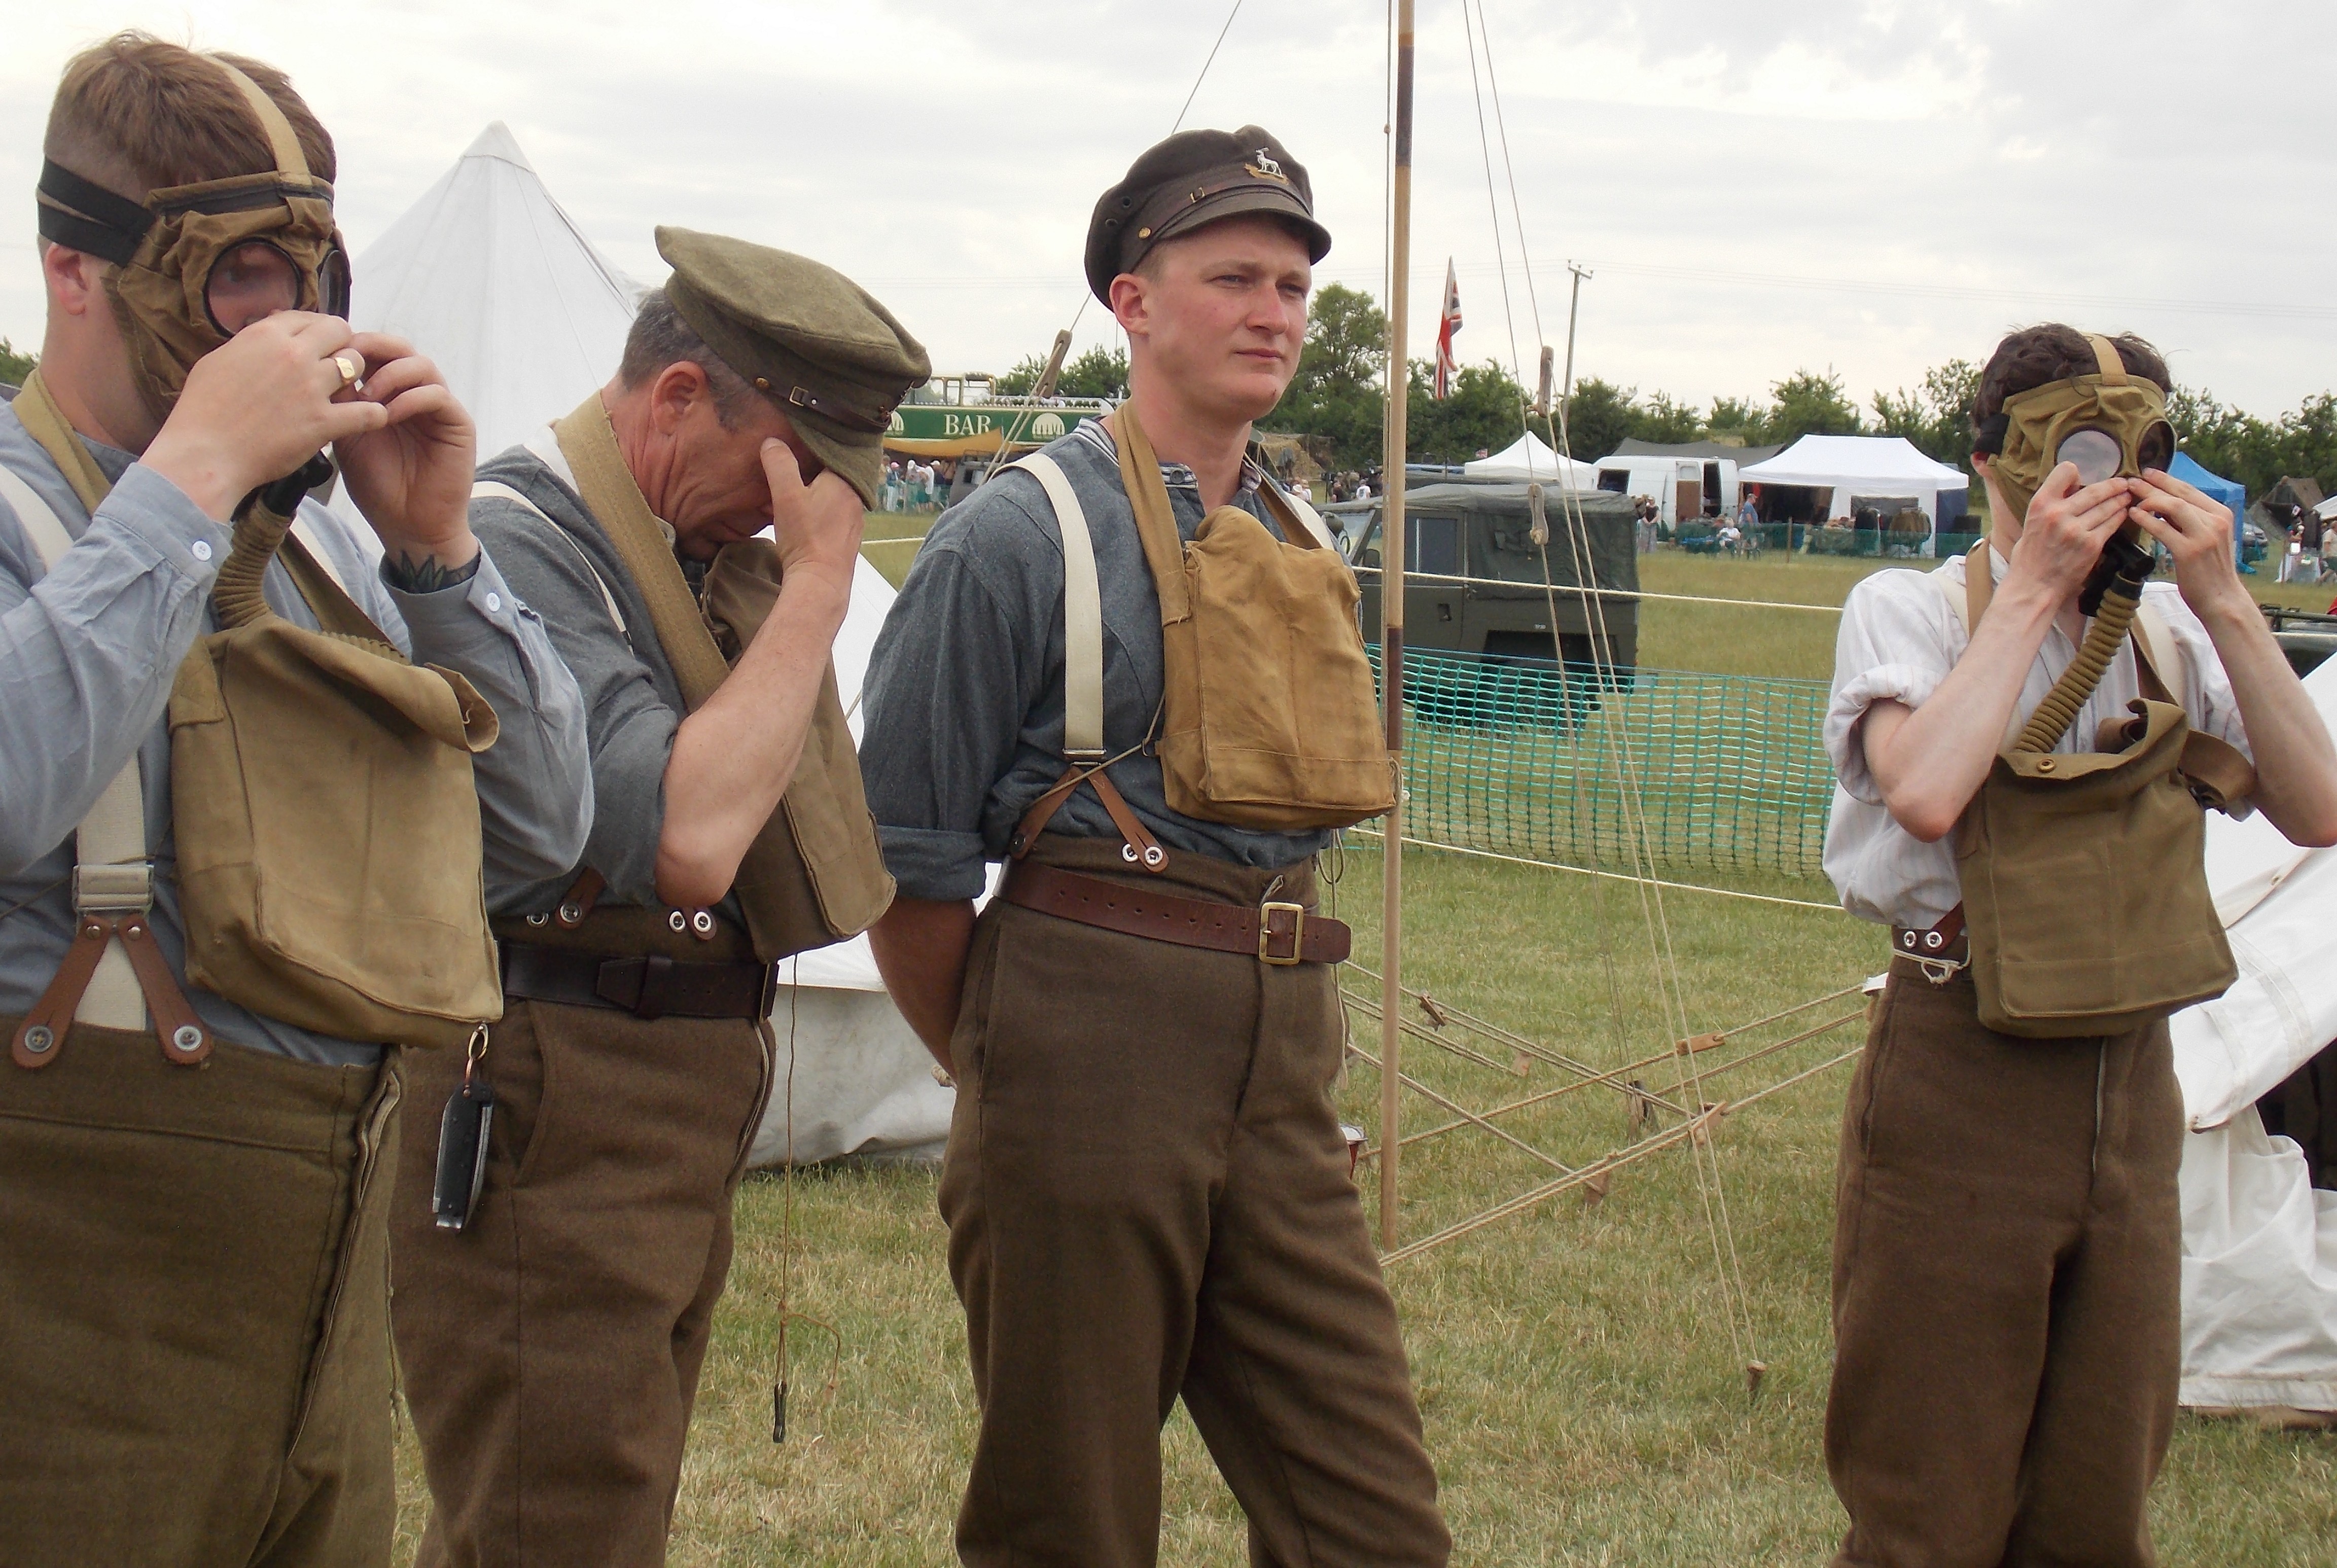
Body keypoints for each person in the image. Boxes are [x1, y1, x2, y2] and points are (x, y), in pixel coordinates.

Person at [0, 35, 591, 1564]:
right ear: (72, 265)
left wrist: (439, 555)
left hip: (318, 1312)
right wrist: (189, 481)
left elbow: (538, 841)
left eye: (310, 273)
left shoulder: (322, 547)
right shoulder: (30, 510)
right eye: (237, 275)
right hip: (60, 1323)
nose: (283, 321)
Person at [860, 126, 1451, 1567]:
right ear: (1132, 302)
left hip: (1284, 1049)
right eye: (1234, 278)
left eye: (1294, 288)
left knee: (1373, 1520)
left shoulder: (1305, 537)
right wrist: (1010, 1065)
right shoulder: (1012, 537)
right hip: (1082, 1037)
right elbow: (906, 863)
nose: (1273, 313)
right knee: (1070, 1516)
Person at [388, 231, 928, 1567]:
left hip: (658, 1088)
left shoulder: (679, 554)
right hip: (558, 1085)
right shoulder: (521, 544)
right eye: (785, 476)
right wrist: (817, 590)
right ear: (680, 397)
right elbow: (682, 838)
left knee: (577, 1513)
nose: (795, 520)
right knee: (557, 1524)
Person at [1820, 324, 2337, 1567]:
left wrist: (2222, 599)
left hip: (2133, 1073)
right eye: (2083, 449)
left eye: (2139, 451)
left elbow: (2319, 810)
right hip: (1963, 1062)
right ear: (1995, 457)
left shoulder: (2171, 636)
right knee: (1930, 1504)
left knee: (2098, 1504)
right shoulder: (1910, 611)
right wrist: (2035, 592)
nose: (2112, 481)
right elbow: (1927, 792)